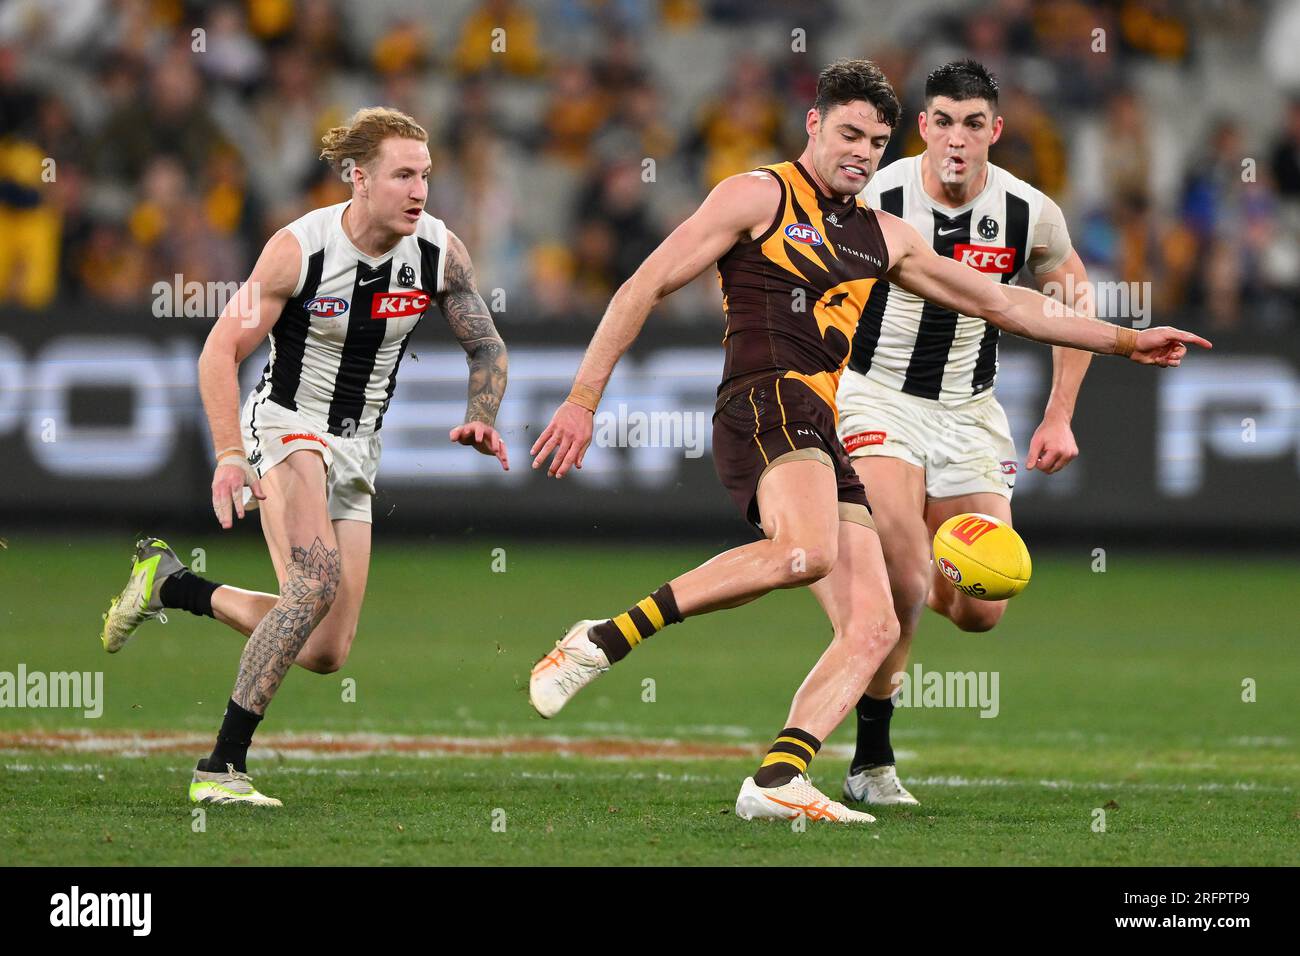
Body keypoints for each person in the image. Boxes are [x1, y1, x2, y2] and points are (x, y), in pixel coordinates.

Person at [527, 59, 1208, 824]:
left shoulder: (885, 235)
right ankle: (602, 640)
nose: (862, 152)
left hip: (824, 421)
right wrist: (584, 398)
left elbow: (1007, 304)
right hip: (765, 400)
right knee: (808, 552)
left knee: (878, 623)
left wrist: (1126, 339)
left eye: (876, 141)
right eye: (849, 132)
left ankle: (781, 778)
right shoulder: (758, 193)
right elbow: (641, 285)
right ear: (814, 125)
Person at [99, 107, 509, 806]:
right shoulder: (302, 248)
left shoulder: (440, 251)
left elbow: (487, 346)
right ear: (359, 178)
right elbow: (219, 351)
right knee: (314, 584)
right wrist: (231, 454)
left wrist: (481, 416)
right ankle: (220, 768)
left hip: (359, 447)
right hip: (286, 424)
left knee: (324, 650)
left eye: (426, 175)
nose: (420, 190)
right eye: (404, 175)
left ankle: (169, 585)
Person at [835, 59, 1097, 807]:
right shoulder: (874, 193)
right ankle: (872, 762)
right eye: (943, 121)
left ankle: (919, 570)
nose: (957, 138)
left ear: (995, 131)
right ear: (922, 127)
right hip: (875, 398)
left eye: (973, 124)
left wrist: (1059, 412)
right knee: (905, 579)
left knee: (983, 608)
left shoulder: (1028, 212)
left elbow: (1070, 296)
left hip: (968, 413)